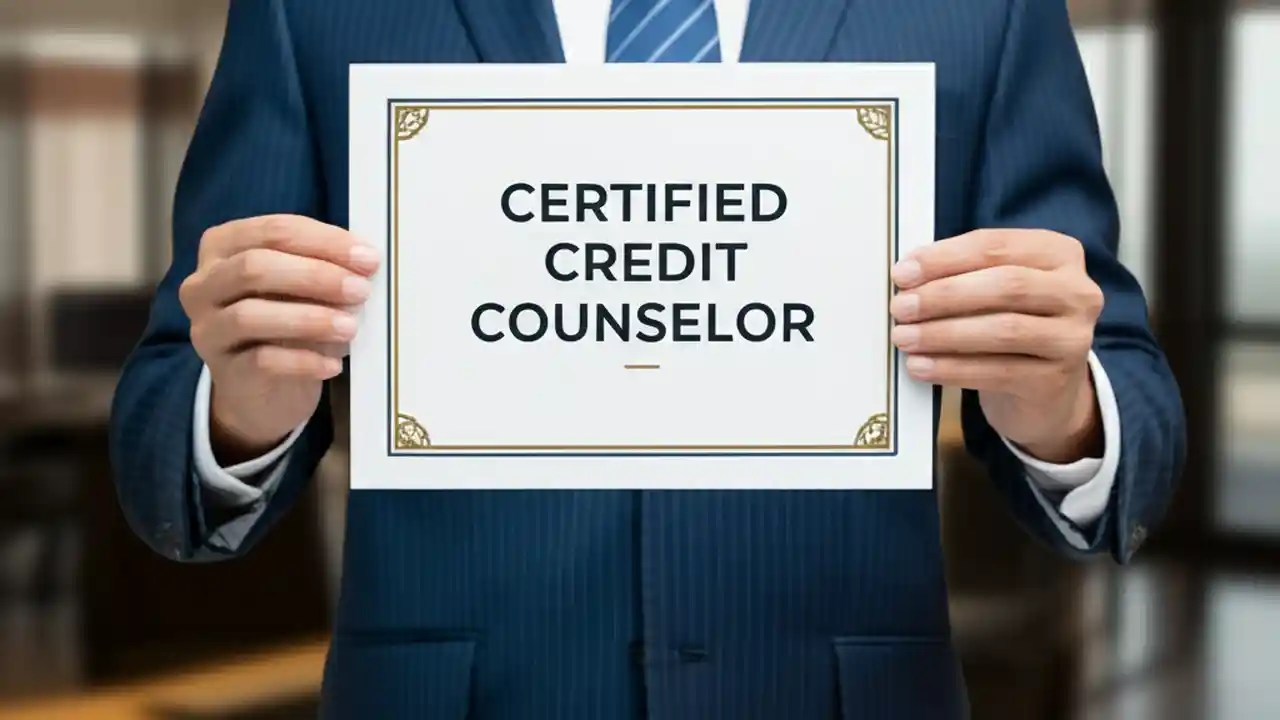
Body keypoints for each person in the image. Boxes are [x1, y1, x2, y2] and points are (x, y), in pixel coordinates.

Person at [110, 1, 1186, 717]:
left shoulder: (979, 10)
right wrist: (244, 401)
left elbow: (1127, 406)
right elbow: (164, 447)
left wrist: (1055, 397)